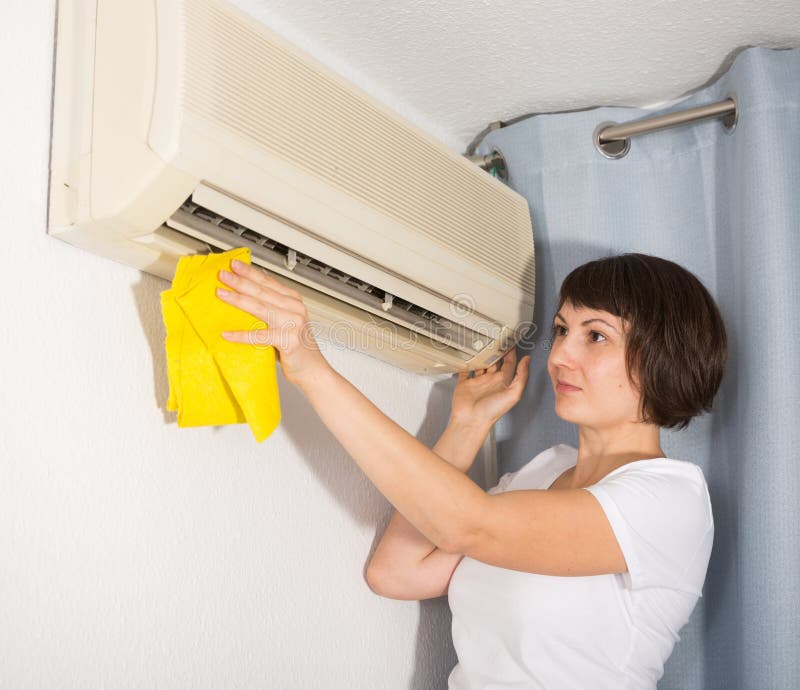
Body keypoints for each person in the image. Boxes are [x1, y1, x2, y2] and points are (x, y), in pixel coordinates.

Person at [215, 251, 728, 689]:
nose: (560, 356)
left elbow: (466, 522)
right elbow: (397, 572)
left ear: (664, 356)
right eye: (561, 330)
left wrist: (311, 368)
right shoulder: (542, 472)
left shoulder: (671, 500)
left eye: (595, 337)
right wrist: (466, 423)